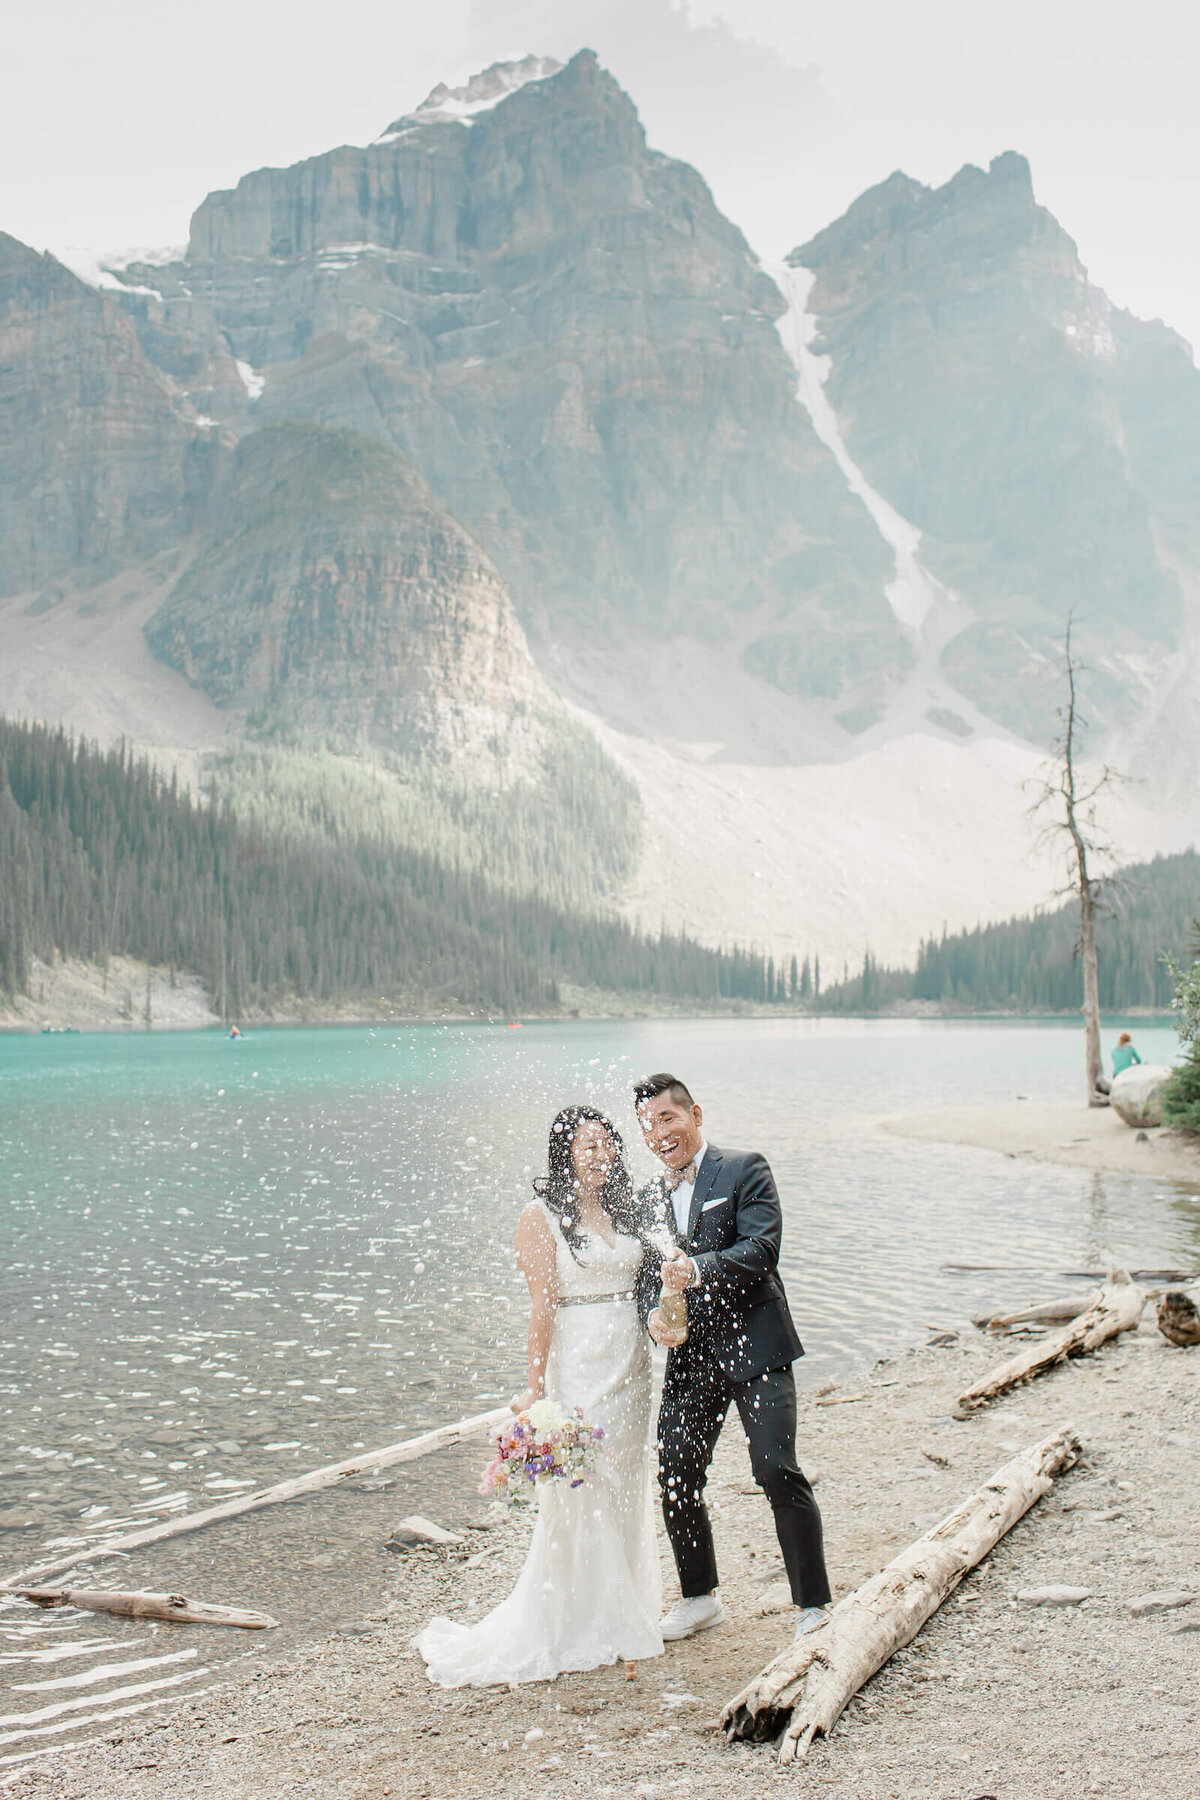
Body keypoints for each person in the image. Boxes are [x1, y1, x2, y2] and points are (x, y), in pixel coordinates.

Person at [415, 1106, 663, 1686]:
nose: (600, 1156)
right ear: (563, 1155)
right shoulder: (541, 1216)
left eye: (606, 1145)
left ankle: (622, 1607)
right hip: (579, 1361)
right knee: (585, 1484)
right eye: (586, 1147)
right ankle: (573, 1619)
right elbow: (542, 1305)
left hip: (632, 1362)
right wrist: (536, 1387)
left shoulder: (628, 1209)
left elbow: (650, 1277)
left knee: (625, 1480)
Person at [633, 1072, 831, 1644]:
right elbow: (649, 1275)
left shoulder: (745, 1168)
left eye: (668, 1118)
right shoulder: (650, 1198)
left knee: (775, 1467)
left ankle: (813, 1606)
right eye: (649, 1124)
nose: (659, 1133)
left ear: (695, 1114)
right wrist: (652, 1313)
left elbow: (762, 1248)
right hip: (693, 1357)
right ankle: (699, 1598)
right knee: (675, 1471)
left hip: (757, 1345)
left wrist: (697, 1269)